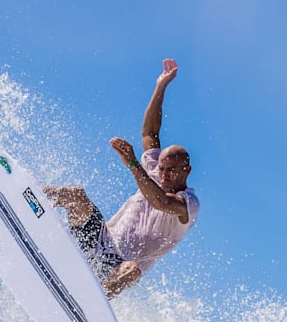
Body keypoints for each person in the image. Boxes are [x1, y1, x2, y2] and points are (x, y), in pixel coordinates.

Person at [44, 58, 200, 300]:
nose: (164, 174)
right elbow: (150, 133)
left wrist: (132, 163)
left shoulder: (188, 204)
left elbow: (161, 202)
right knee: (75, 195)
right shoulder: (153, 172)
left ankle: (88, 304)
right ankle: (22, 195)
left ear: (186, 171)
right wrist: (161, 86)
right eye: (161, 168)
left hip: (115, 267)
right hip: (98, 241)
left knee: (132, 270)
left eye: (172, 170)